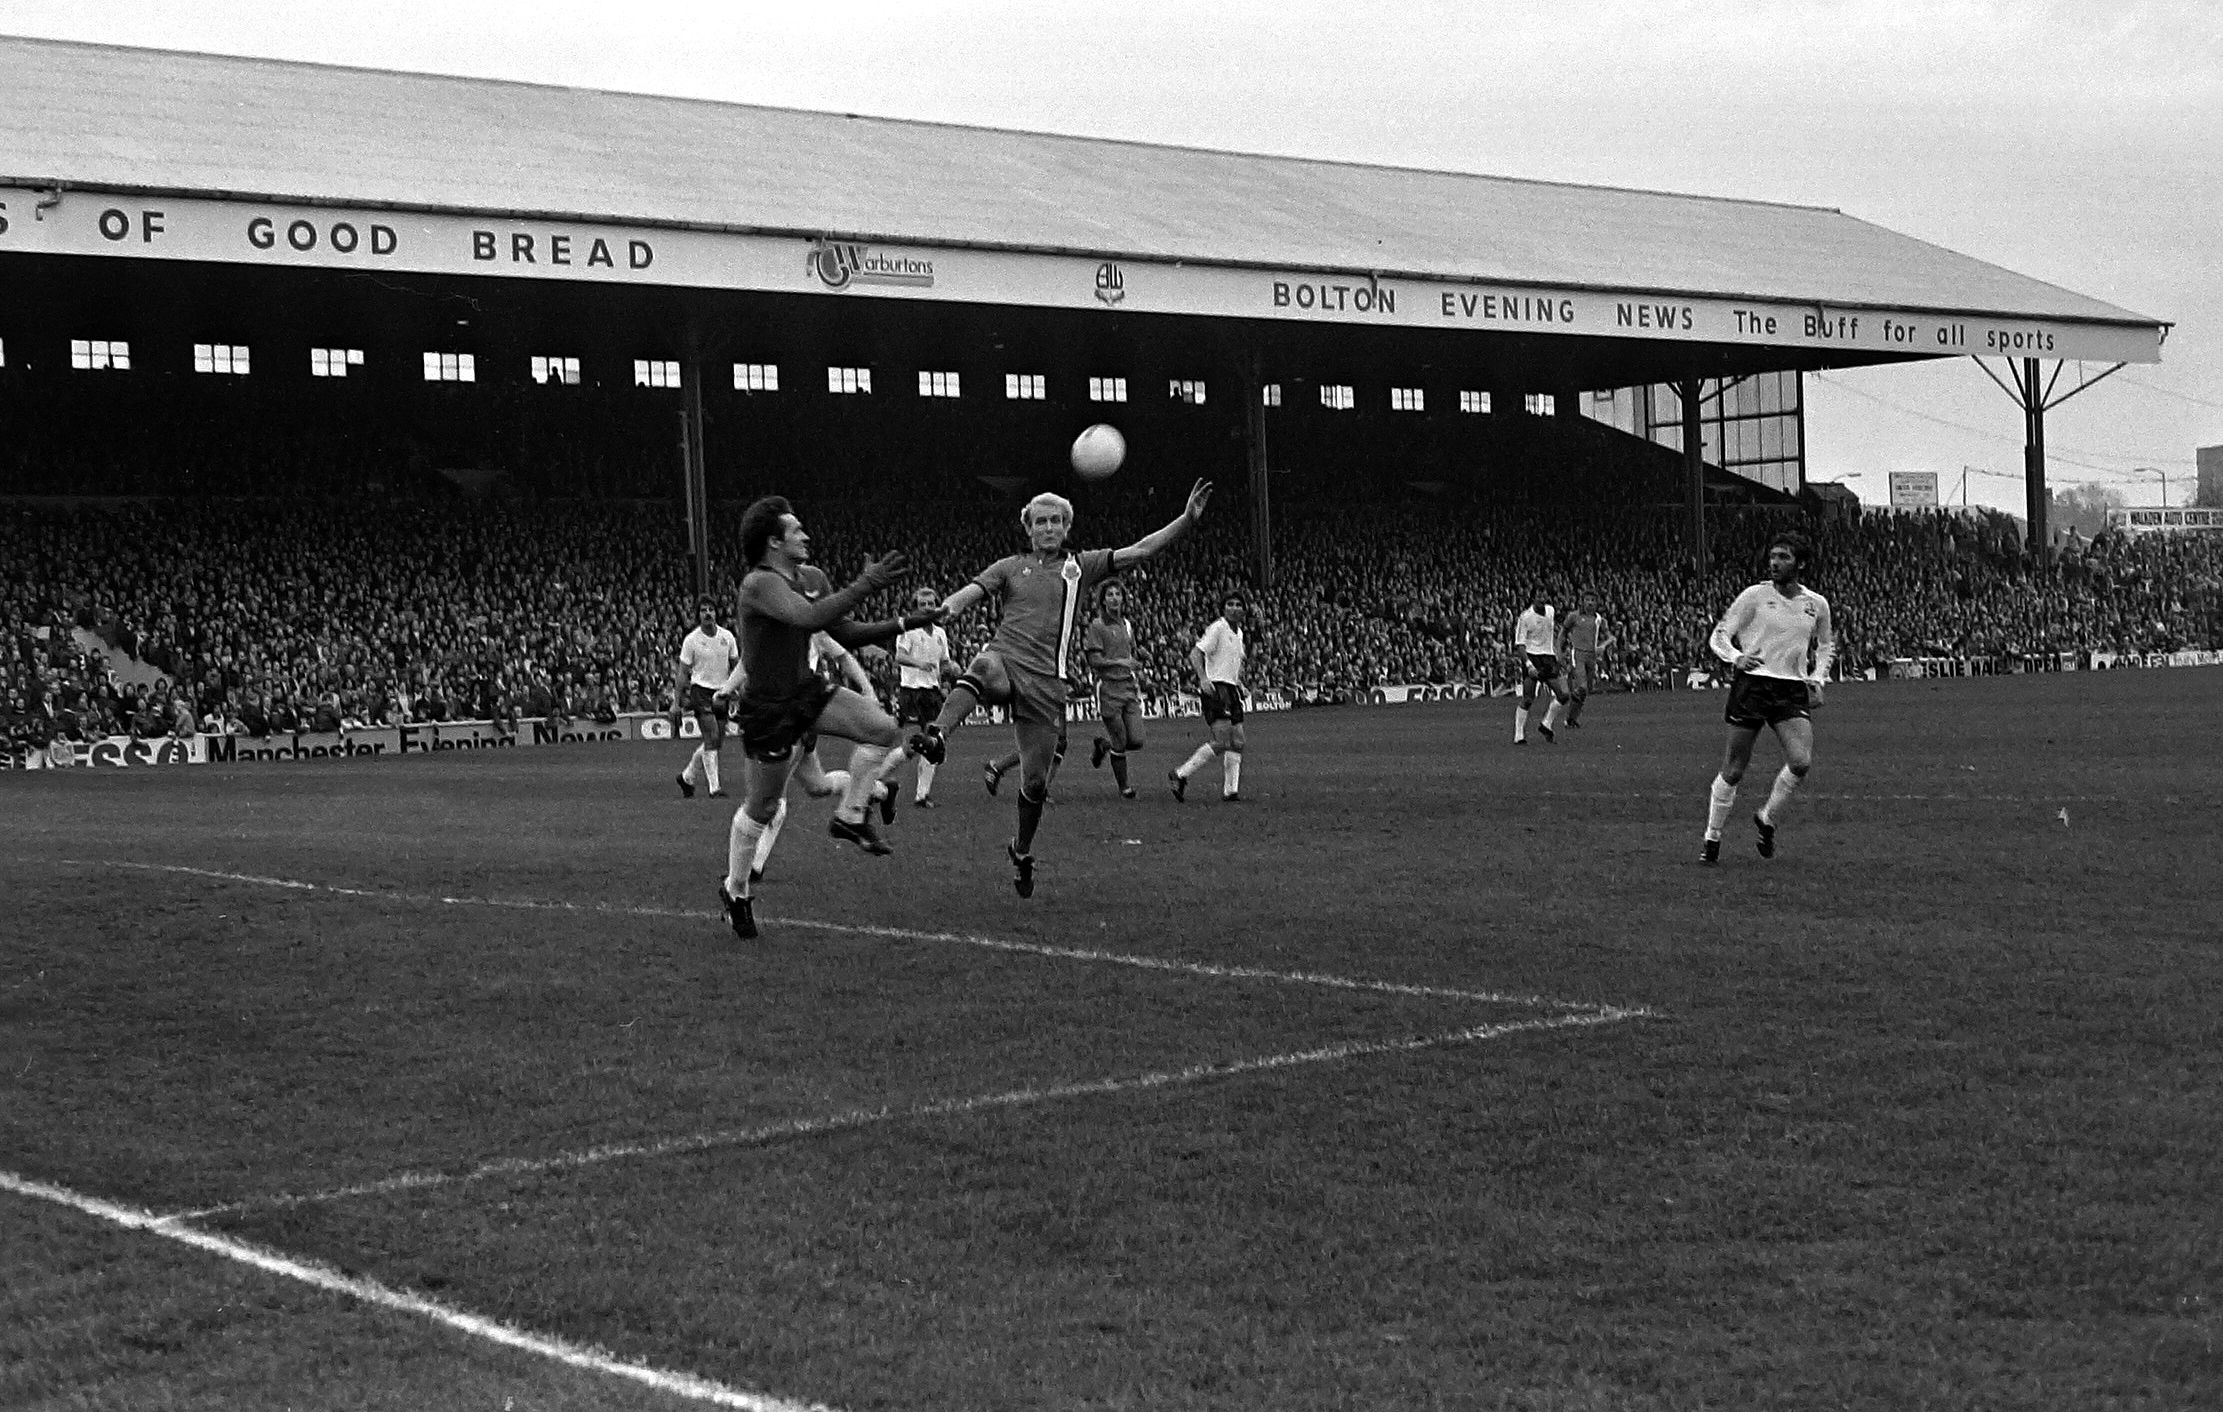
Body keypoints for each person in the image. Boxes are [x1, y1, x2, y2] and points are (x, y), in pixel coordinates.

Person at [885, 479, 1214, 897]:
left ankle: (1020, 850)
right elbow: (971, 592)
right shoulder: (1008, 567)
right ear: (1028, 529)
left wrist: (1185, 521)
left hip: (1045, 684)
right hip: (1007, 660)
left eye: (1056, 521)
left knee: (1036, 783)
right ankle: (937, 734)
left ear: (1066, 527)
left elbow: (1141, 550)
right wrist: (948, 606)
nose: (1048, 528)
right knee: (983, 664)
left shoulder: (1081, 566)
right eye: (1040, 521)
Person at [712, 497, 933, 939]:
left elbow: (841, 631)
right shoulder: (758, 584)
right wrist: (866, 584)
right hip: (769, 709)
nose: (805, 535)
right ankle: (736, 889)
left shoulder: (811, 576)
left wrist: (905, 622)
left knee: (883, 729)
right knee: (763, 806)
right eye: (795, 530)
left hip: (806, 692)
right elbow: (809, 616)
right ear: (774, 542)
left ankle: (851, 815)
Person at [1699, 532, 1836, 865]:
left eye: (1784, 557)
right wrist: (1735, 657)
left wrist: (1817, 678)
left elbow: (1825, 645)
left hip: (1790, 689)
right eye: (1773, 556)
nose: (1775, 562)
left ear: (1800, 564)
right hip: (1753, 685)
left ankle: (1767, 817)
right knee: (1734, 769)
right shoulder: (1754, 596)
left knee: (1801, 761)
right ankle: (1712, 837)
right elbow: (1720, 634)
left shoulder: (1816, 604)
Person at [727, 630, 900, 891]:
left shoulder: (809, 627)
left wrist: (868, 691)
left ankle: (754, 867)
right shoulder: (766, 627)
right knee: (817, 786)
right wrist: (726, 689)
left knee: (774, 795)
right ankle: (881, 791)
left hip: (799, 714)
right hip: (775, 715)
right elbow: (748, 662)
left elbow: (843, 656)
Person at [1170, 591, 1248, 802]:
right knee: (1221, 741)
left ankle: (1230, 791)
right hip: (1216, 689)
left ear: (1243, 610)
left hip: (1230, 689)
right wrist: (1203, 679)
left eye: (1238, 604)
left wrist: (1239, 683)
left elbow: (1230, 662)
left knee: (1238, 741)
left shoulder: (1238, 633)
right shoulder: (1218, 628)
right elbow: (1196, 653)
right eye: (1229, 604)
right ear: (1223, 609)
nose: (1234, 608)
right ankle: (1180, 774)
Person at [672, 598, 739, 799]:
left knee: (716, 741)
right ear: (698, 615)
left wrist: (737, 691)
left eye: (711, 609)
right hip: (700, 692)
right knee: (711, 737)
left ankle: (687, 777)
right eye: (703, 610)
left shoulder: (727, 637)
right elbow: (683, 673)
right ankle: (714, 788)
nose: (707, 613)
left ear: (716, 613)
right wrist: (676, 702)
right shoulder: (691, 640)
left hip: (722, 692)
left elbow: (736, 666)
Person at [892, 586, 952, 808]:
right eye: (922, 604)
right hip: (911, 692)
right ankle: (876, 780)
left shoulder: (940, 634)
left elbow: (944, 662)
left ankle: (922, 795)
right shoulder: (909, 630)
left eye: (931, 604)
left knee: (934, 744)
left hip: (932, 694)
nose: (927, 608)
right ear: (916, 607)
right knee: (911, 747)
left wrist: (948, 673)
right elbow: (899, 656)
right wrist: (920, 664)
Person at [1084, 581, 1144, 798]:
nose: (1115, 598)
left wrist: (1138, 657)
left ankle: (1103, 745)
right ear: (1103, 600)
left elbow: (1129, 651)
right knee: (1120, 739)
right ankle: (1124, 787)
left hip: (1128, 686)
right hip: (1108, 687)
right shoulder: (1097, 626)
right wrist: (1121, 662)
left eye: (1118, 594)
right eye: (1110, 594)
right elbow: (1095, 660)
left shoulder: (1127, 624)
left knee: (1136, 740)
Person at [1511, 592, 1569, 744]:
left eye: (1544, 597)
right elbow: (1520, 645)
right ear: (1534, 599)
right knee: (1528, 698)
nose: (1542, 600)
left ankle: (1546, 723)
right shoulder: (1525, 617)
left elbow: (1551, 633)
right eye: (1539, 597)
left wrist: (1557, 653)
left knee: (1563, 695)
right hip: (1532, 656)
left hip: (1548, 658)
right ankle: (1519, 735)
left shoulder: (1550, 611)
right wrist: (1528, 665)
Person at [1557, 591, 1615, 728]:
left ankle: (1571, 719)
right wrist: (1558, 651)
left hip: (1592, 657)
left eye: (1592, 600)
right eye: (1587, 600)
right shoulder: (1574, 616)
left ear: (1596, 603)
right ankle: (1568, 717)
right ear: (1582, 601)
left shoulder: (1599, 619)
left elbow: (1611, 637)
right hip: (1577, 654)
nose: (1590, 603)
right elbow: (1562, 633)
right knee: (1581, 687)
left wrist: (1603, 645)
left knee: (1585, 691)